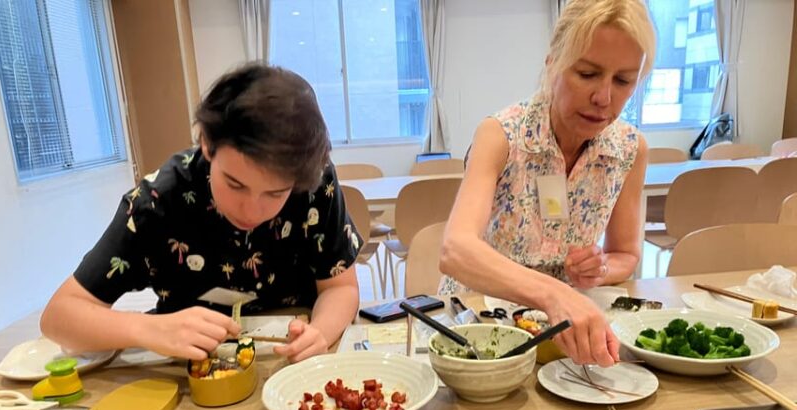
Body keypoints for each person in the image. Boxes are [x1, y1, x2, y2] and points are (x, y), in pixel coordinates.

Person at [41, 63, 362, 363]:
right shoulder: (157, 201)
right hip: (187, 372)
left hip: (287, 366)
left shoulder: (313, 181)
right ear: (206, 144)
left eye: (276, 194)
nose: (252, 210)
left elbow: (340, 287)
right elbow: (58, 317)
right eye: (235, 185)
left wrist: (320, 332)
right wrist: (147, 329)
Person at [439, 0, 656, 367]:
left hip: (565, 333)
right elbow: (455, 250)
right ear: (552, 61)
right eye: (587, 73)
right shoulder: (502, 135)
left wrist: (599, 269)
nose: (604, 98)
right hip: (478, 325)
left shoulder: (629, 150)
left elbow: (627, 255)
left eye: (623, 81)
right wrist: (555, 293)